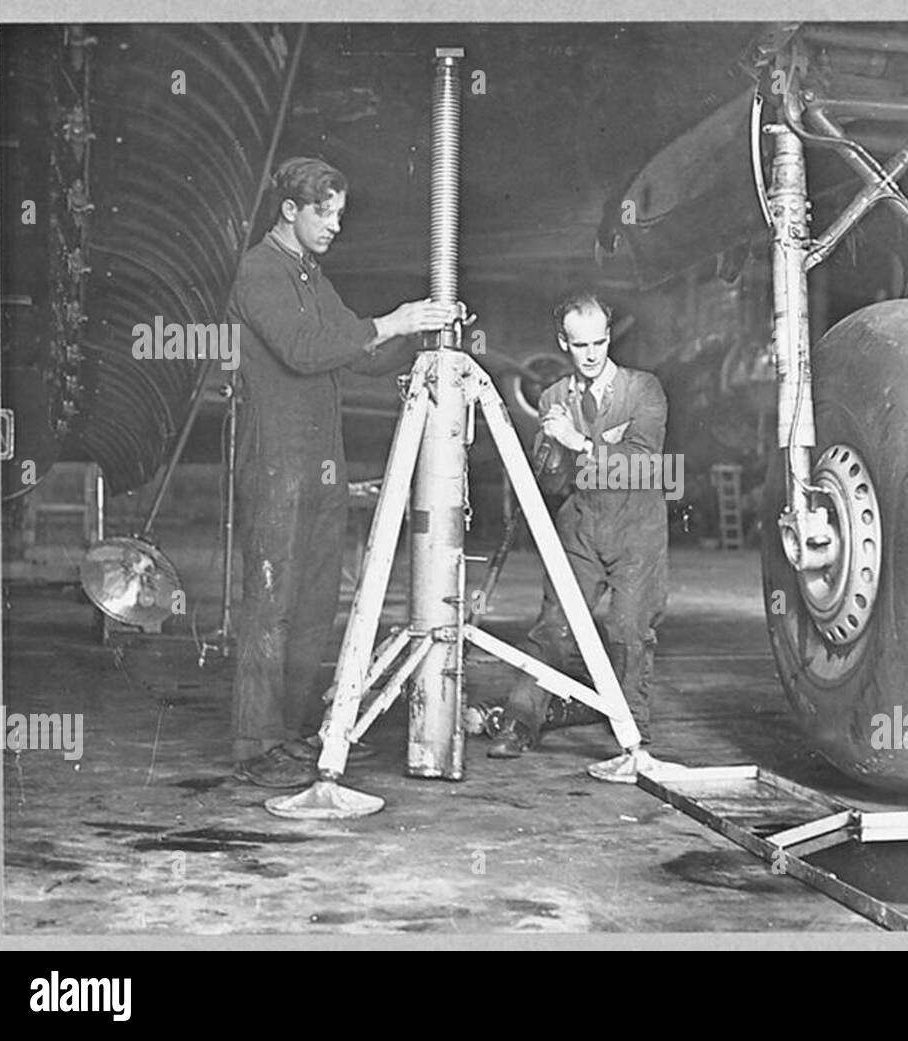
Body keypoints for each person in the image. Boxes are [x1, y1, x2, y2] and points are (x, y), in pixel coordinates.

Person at [228, 156, 458, 788]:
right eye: (323, 212)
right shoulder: (260, 272)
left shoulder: (309, 274)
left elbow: (356, 353)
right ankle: (256, 743)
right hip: (276, 459)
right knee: (272, 601)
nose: (333, 225)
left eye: (339, 214)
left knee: (314, 602)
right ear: (290, 211)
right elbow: (307, 352)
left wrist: (425, 336)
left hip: (320, 461)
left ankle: (297, 731)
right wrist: (393, 321)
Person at [488, 291, 669, 781]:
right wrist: (550, 451)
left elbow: (645, 465)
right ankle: (520, 720)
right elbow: (552, 485)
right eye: (579, 345)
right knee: (554, 629)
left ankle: (635, 743)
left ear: (609, 337)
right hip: (581, 528)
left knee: (629, 632)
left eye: (600, 342)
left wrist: (579, 443)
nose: (591, 354)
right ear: (562, 344)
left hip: (637, 533)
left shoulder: (644, 390)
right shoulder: (552, 400)